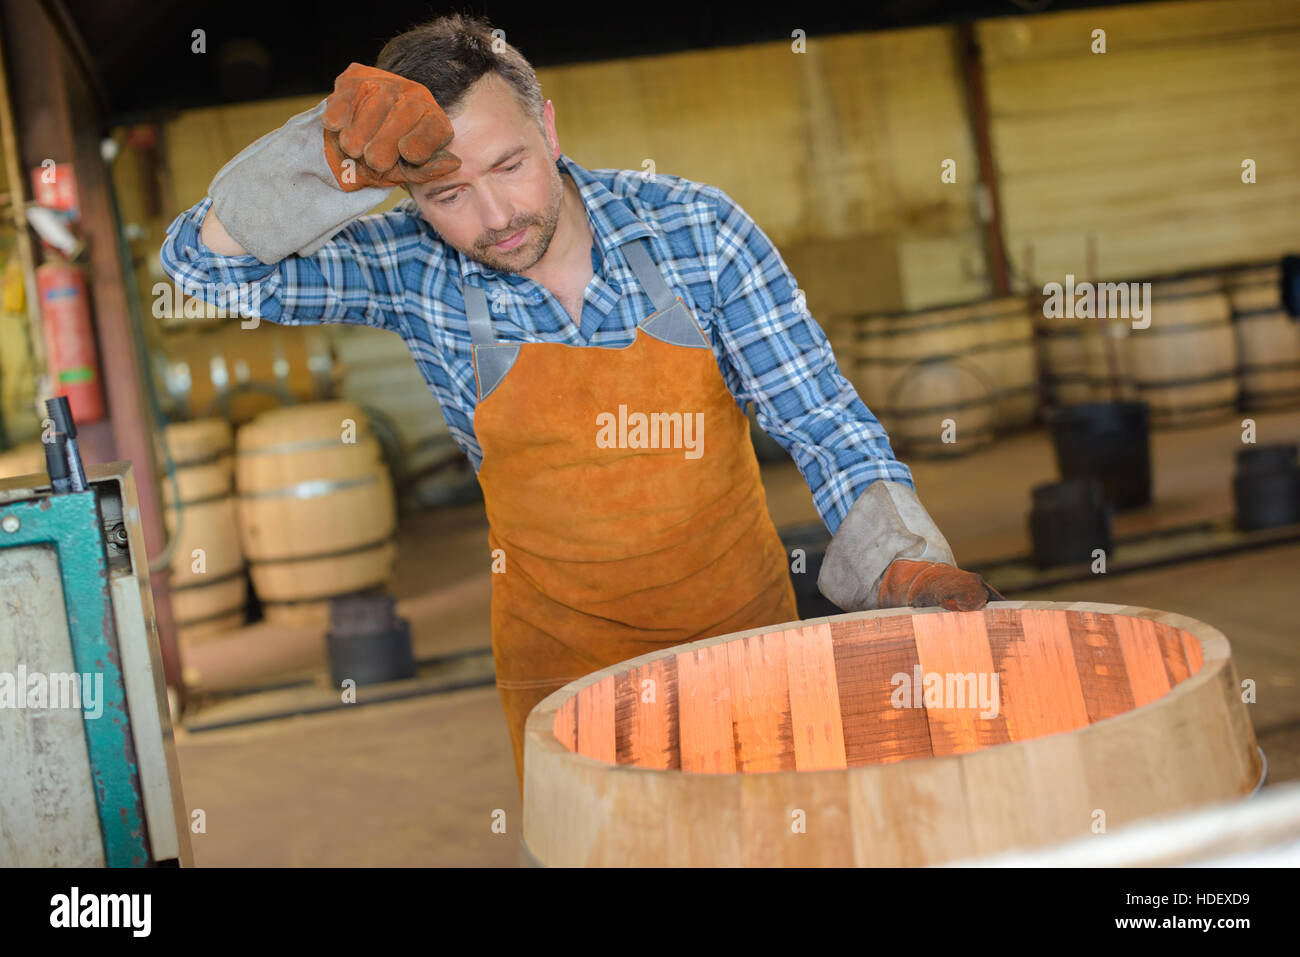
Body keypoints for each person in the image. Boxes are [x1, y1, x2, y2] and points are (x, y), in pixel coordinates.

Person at [159, 13, 993, 792]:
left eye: (511, 167)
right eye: (448, 195)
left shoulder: (698, 231)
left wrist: (899, 559)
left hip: (744, 640)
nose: (496, 218)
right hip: (561, 672)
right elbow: (204, 267)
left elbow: (821, 419)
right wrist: (325, 151)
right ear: (405, 192)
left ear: (549, 129)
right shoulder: (411, 269)